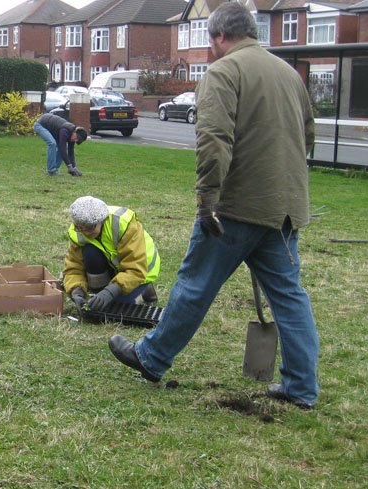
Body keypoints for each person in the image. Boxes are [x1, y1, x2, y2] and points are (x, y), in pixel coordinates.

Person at [107, 2, 318, 409]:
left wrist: (207, 202)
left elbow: (213, 141)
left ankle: (152, 358)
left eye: (209, 38)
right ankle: (302, 388)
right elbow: (307, 136)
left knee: (195, 284)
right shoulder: (289, 74)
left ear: (220, 35)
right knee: (290, 298)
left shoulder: (224, 72)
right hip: (284, 211)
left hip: (235, 209)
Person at [64, 196, 160, 317]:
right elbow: (74, 267)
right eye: (80, 228)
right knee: (90, 252)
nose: (85, 232)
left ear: (103, 220)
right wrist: (76, 291)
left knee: (117, 310)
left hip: (141, 271)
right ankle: (99, 292)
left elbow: (135, 269)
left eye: (90, 227)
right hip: (116, 266)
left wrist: (110, 292)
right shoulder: (76, 230)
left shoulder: (124, 224)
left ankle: (144, 289)